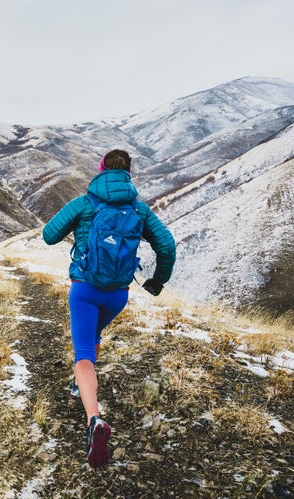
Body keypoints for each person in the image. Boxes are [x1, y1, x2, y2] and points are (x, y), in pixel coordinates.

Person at [42, 149, 176, 468]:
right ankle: (81, 384)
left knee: (84, 352)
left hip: (85, 290)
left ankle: (94, 421)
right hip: (118, 294)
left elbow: (49, 235)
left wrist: (79, 229)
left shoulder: (85, 203)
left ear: (100, 170)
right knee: (95, 333)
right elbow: (167, 246)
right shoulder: (139, 210)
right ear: (129, 173)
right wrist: (157, 282)